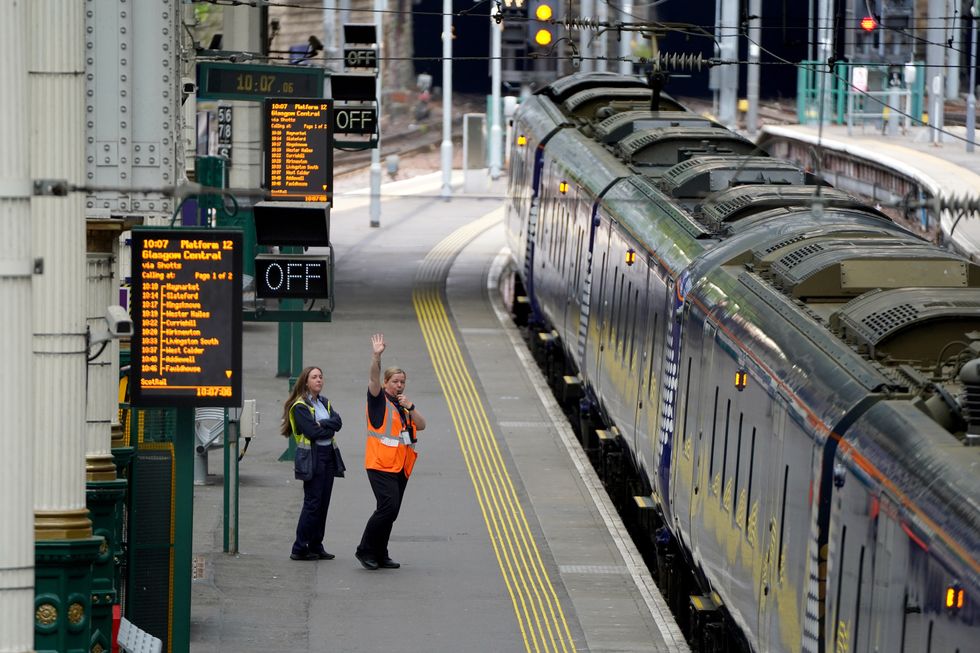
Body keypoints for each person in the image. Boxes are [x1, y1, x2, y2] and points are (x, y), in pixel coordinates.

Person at [355, 333, 427, 570]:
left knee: (391, 512)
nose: (399, 385)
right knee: (387, 507)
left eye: (402, 381)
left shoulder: (402, 405)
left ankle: (381, 552)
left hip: (400, 467)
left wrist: (411, 406)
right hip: (380, 464)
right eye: (395, 381)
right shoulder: (378, 400)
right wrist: (377, 356)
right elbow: (372, 378)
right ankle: (365, 550)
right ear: (386, 383)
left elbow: (423, 425)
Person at [281, 366, 343, 561]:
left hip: (328, 456)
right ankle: (299, 547)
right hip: (313, 458)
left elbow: (338, 422)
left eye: (320, 377)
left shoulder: (324, 402)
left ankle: (316, 545)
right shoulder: (300, 406)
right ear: (306, 382)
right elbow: (312, 433)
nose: (319, 380)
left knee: (323, 503)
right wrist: (328, 428)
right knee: (312, 503)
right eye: (314, 377)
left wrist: (324, 424)